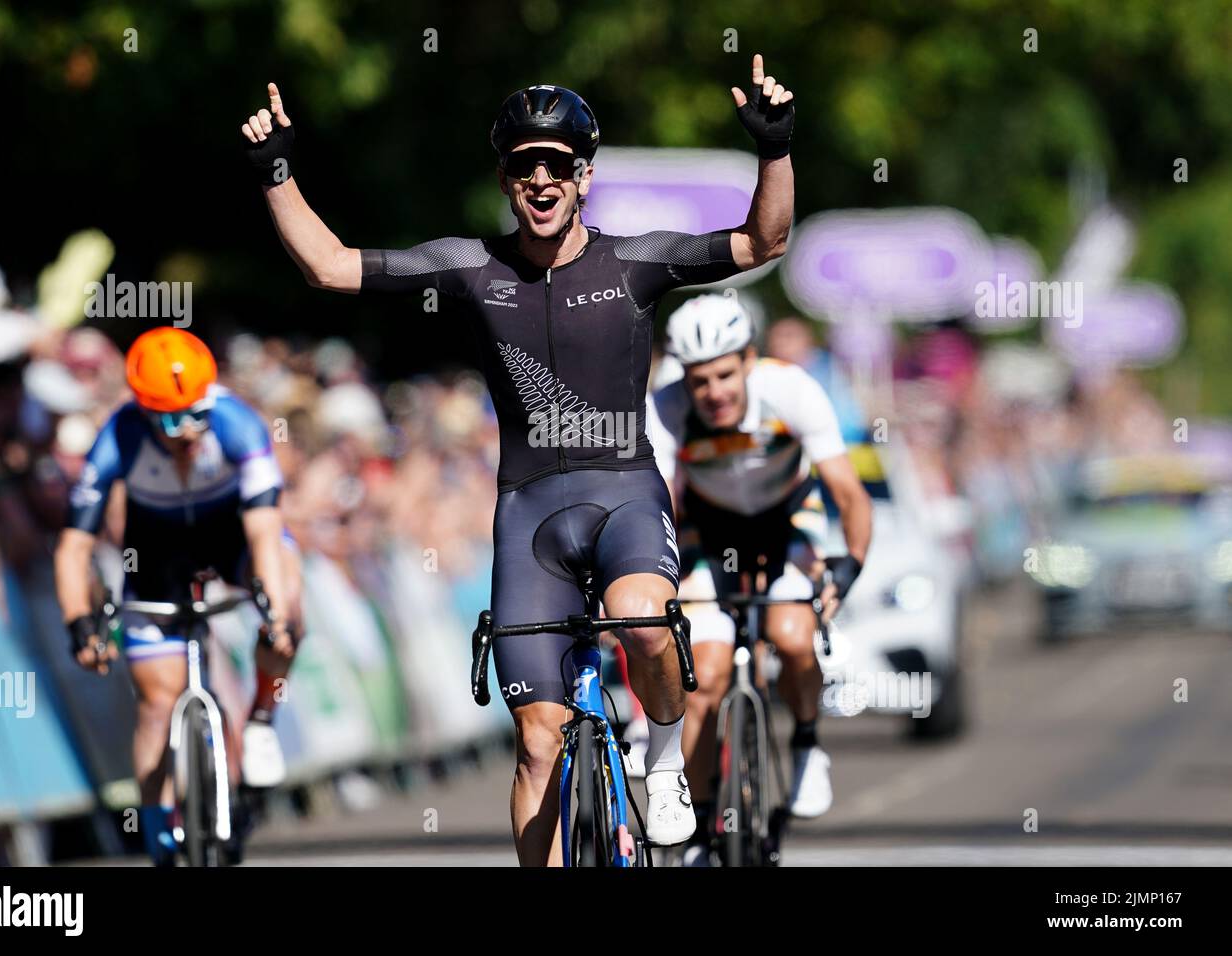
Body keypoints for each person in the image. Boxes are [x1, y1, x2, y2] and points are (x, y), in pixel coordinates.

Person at [241, 54, 795, 864]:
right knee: (538, 744)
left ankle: (668, 757)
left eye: (558, 166)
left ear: (584, 177)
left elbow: (763, 239)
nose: (542, 180)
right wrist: (275, 171)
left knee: (644, 625)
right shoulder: (472, 269)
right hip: (527, 514)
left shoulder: (634, 262)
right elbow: (330, 267)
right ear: (506, 180)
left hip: (624, 499)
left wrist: (775, 150)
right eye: (524, 167)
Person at [53, 327, 303, 865]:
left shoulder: (236, 423)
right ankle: (157, 827)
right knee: (157, 704)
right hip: (156, 555)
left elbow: (263, 533)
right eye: (170, 420)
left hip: (229, 537)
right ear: (144, 411)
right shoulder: (117, 438)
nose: (187, 430)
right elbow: (73, 547)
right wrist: (78, 622)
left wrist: (276, 615)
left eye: (195, 413)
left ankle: (261, 717)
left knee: (286, 576)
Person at [646, 294, 873, 863]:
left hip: (785, 521)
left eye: (725, 375)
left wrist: (849, 563)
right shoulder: (665, 407)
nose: (714, 393)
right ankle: (698, 828)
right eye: (700, 381)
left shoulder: (790, 390)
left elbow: (847, 491)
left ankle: (805, 742)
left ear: (748, 360)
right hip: (708, 532)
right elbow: (654, 503)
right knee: (705, 678)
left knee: (794, 636)